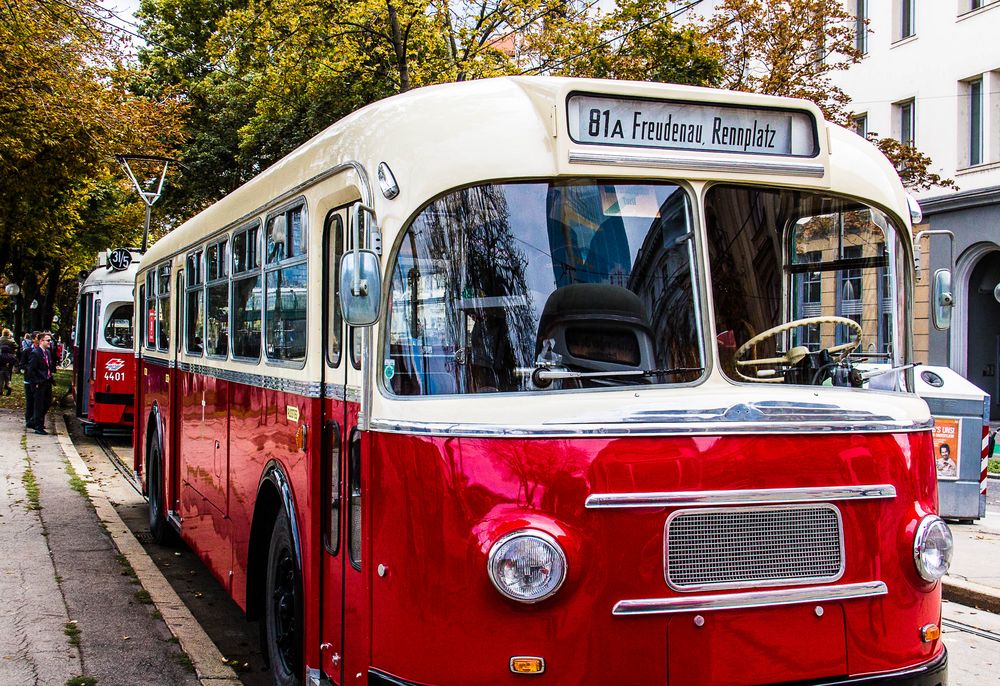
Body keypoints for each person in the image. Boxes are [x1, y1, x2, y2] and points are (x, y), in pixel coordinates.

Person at [26, 332, 54, 434]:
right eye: (48, 340)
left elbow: (49, 367)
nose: (50, 342)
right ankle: (38, 426)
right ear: (41, 341)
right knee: (39, 405)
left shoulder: (48, 353)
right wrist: (36, 382)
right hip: (39, 383)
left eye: (50, 340)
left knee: (47, 402)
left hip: (47, 382)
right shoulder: (35, 353)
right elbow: (31, 369)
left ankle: (34, 420)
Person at [0, 328, 16, 396]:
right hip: (10, 358)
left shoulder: (0, 339)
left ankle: (1, 388)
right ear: (8, 333)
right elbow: (16, 346)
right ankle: (8, 385)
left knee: (0, 374)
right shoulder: (11, 340)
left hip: (1, 358)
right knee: (9, 373)